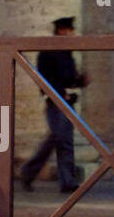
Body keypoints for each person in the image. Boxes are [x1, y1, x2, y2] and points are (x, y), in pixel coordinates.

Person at [19, 16, 88, 193]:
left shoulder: (67, 53)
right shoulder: (48, 52)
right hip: (56, 101)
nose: (72, 33)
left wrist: (80, 81)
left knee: (61, 139)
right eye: (70, 30)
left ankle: (64, 180)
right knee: (60, 139)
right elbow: (45, 78)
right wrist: (59, 93)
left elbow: (69, 79)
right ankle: (33, 172)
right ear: (62, 31)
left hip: (66, 101)